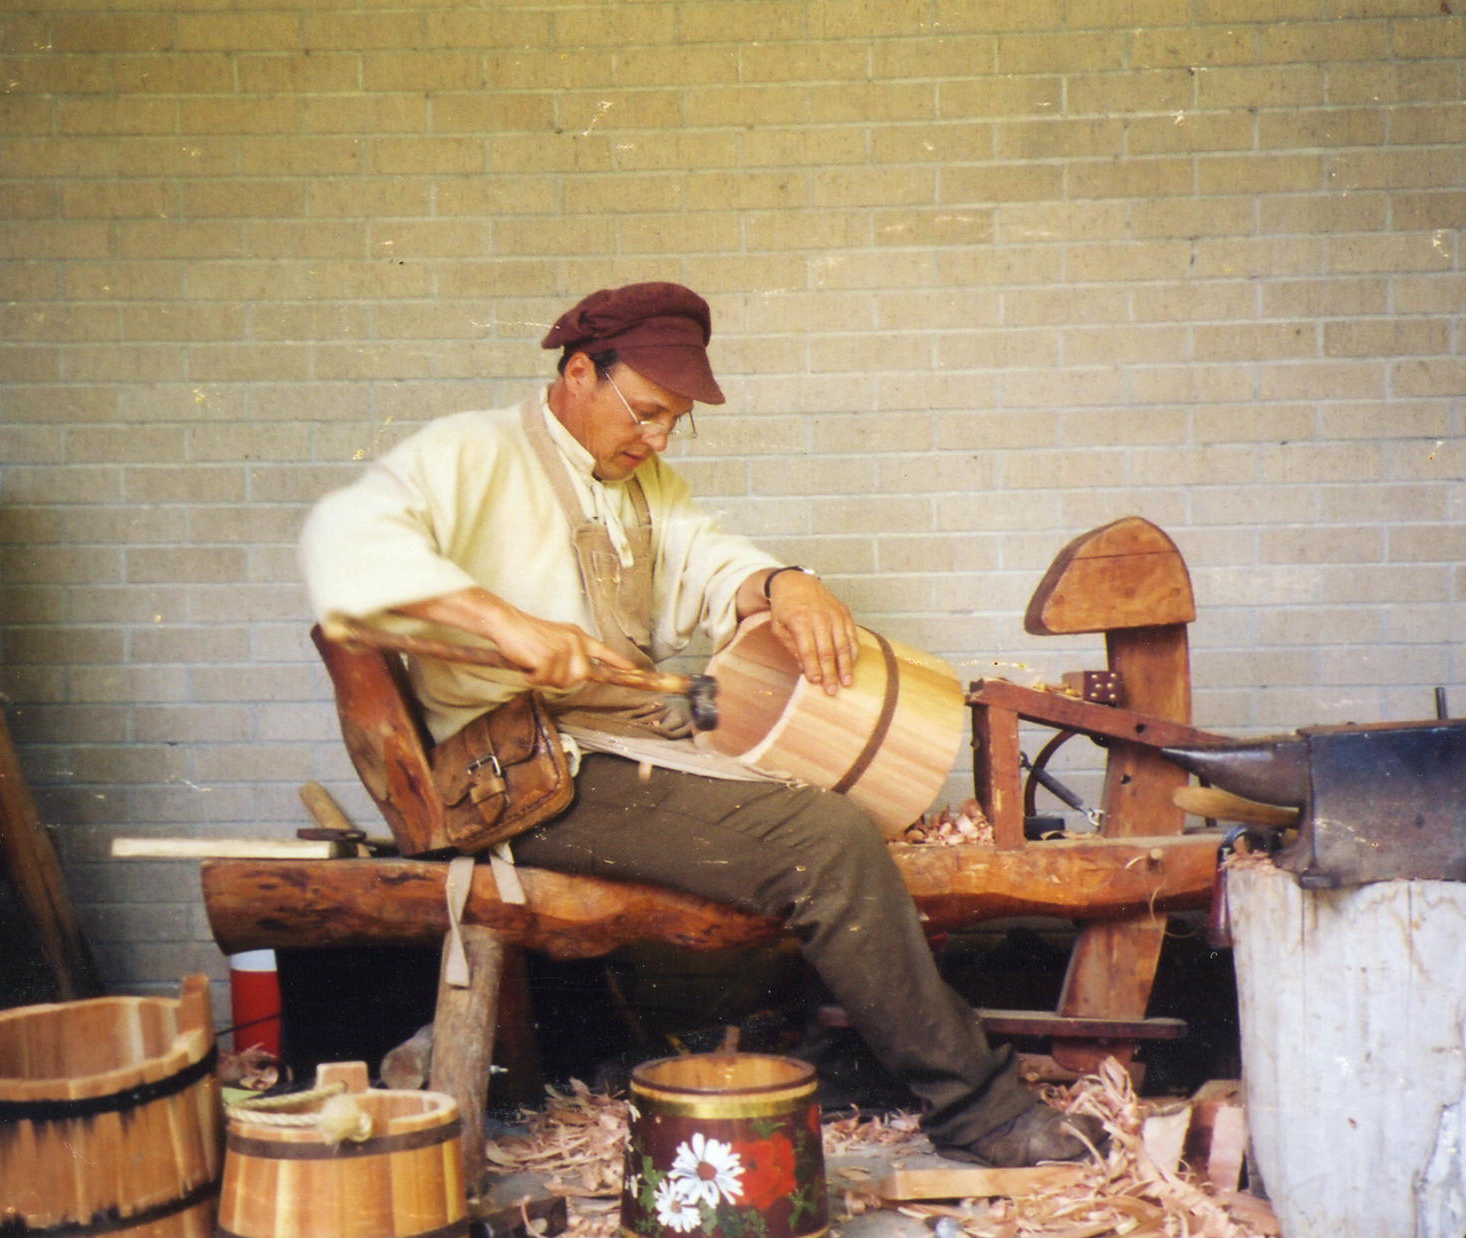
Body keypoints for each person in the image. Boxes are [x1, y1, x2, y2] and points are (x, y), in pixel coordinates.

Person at [299, 281, 1100, 1166]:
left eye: (675, 421)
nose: (657, 438)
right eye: (645, 413)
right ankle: (979, 1111)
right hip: (511, 775)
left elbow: (708, 559)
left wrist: (783, 585)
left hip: (607, 737)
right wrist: (504, 623)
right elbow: (344, 545)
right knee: (823, 839)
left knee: (830, 777)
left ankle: (845, 1049)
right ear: (577, 375)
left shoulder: (638, 481)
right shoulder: (474, 454)